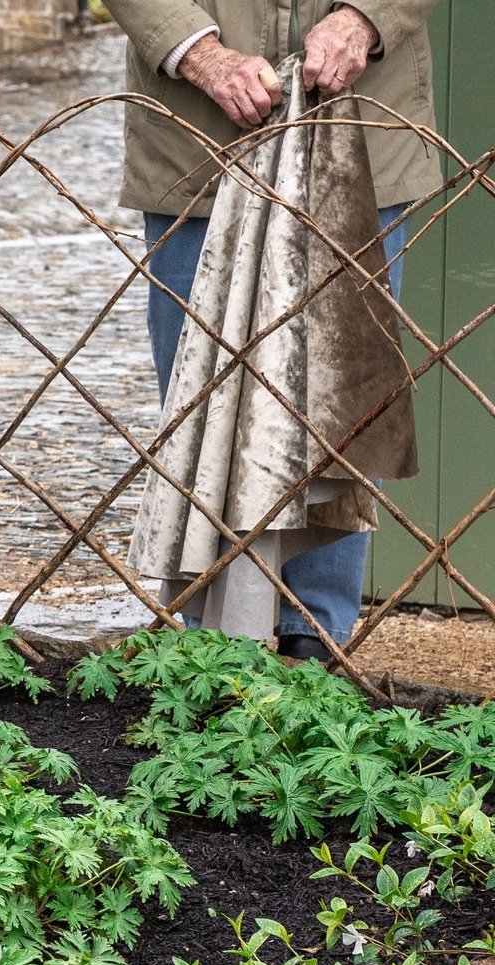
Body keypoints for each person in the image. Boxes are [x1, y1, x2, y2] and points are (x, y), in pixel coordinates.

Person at [104, 1, 440, 658]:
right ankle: (213, 650)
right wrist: (199, 52)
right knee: (205, 392)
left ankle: (316, 640)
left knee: (344, 395)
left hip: (364, 127)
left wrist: (364, 20)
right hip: (197, 137)